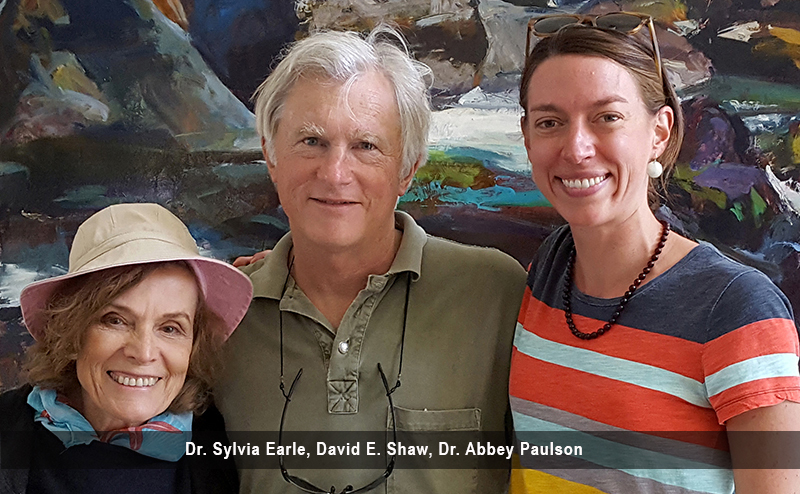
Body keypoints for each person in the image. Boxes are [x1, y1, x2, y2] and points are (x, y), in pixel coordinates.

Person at [214, 25, 527, 493]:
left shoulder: (497, 293)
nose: (336, 173)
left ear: (407, 169)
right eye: (312, 141)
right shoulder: (220, 317)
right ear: (271, 155)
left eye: (366, 146)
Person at [510, 12, 800, 494]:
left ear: (659, 133)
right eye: (549, 121)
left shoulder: (736, 308)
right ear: (527, 136)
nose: (576, 147)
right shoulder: (548, 269)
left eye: (607, 117)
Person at [0, 203, 253, 494]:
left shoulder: (225, 448)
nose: (144, 353)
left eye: (170, 328)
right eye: (116, 320)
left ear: (194, 345)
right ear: (70, 331)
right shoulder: (10, 431)